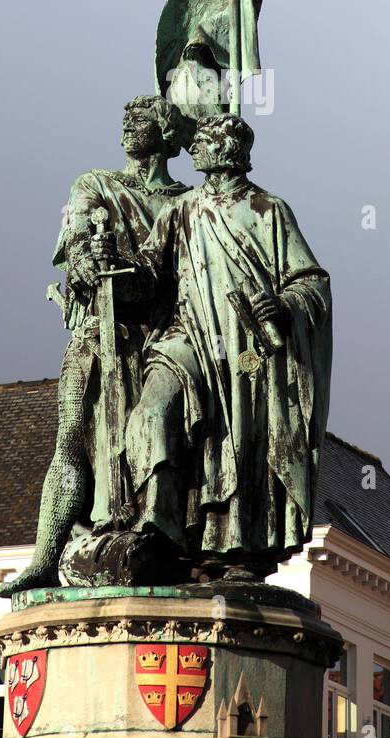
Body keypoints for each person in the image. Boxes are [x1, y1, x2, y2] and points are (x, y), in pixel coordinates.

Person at [124, 113, 332, 581]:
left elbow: (311, 281)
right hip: (190, 339)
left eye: (201, 141)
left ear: (225, 150)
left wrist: (285, 305)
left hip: (246, 352)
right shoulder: (183, 210)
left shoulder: (269, 211)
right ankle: (157, 525)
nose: (192, 149)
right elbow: (149, 273)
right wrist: (106, 270)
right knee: (154, 409)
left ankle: (235, 547)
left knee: (244, 436)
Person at [0, 96, 189, 597]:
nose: (128, 126)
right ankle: (44, 557)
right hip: (98, 334)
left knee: (160, 437)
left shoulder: (184, 202)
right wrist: (87, 259)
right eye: (125, 119)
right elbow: (75, 241)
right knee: (72, 439)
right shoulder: (95, 184)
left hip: (161, 337)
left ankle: (159, 533)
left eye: (141, 119)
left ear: (166, 134)